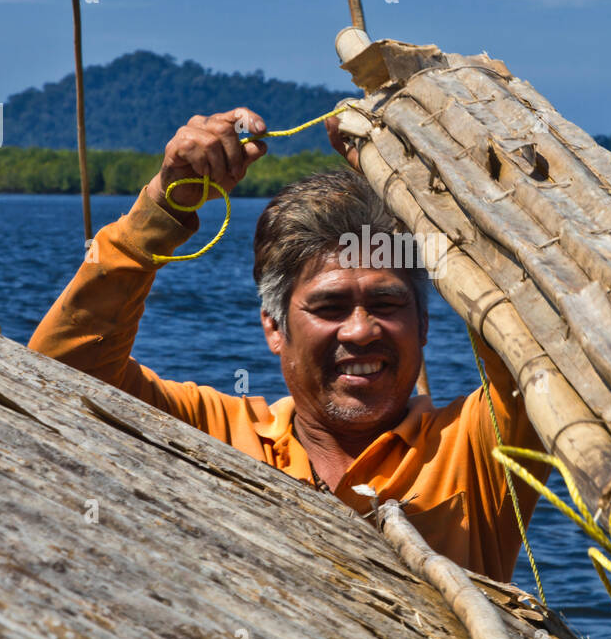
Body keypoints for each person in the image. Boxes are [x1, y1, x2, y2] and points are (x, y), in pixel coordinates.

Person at [29, 107, 551, 581]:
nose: (361, 330)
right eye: (329, 308)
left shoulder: (480, 447)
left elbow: (538, 330)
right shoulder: (214, 435)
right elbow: (57, 377)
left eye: (388, 304)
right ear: (274, 328)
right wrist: (163, 209)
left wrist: (430, 180)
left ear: (425, 324)